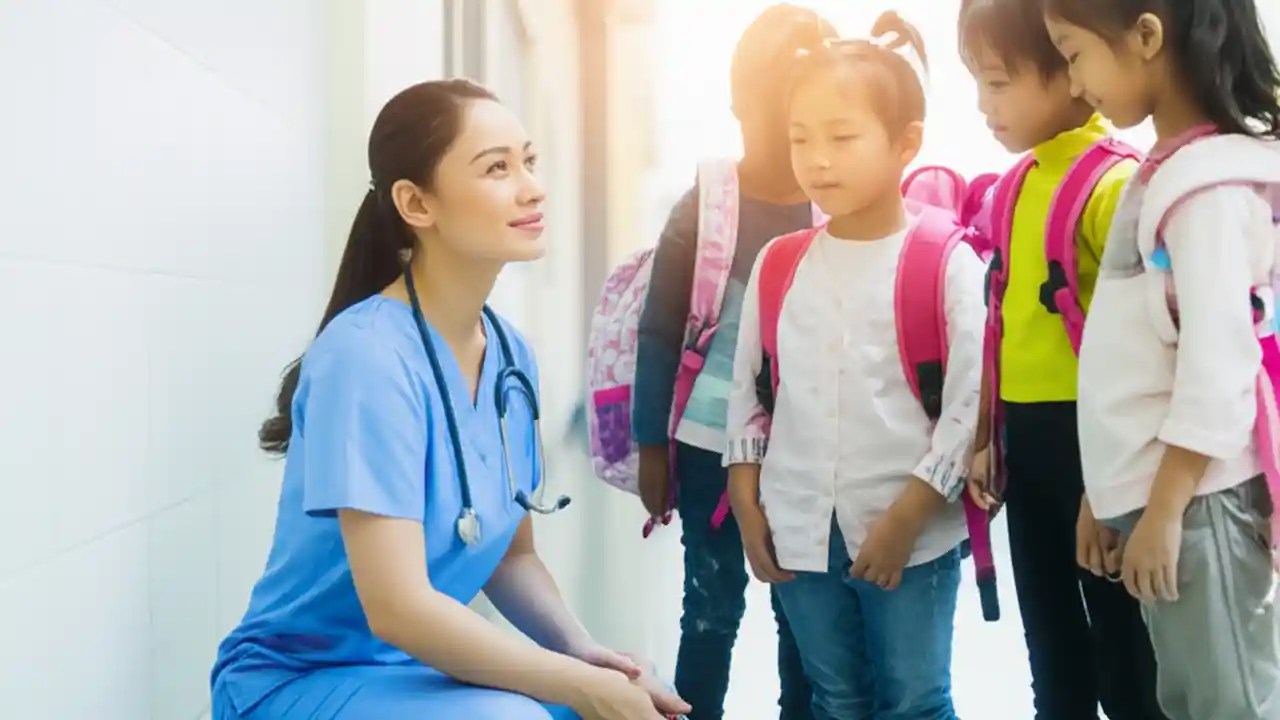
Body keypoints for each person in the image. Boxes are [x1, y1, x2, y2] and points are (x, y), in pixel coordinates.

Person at [209, 79, 691, 720]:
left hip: (414, 674)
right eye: (497, 168)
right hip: (296, 682)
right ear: (416, 203)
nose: (531, 187)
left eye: (528, 161)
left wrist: (586, 655)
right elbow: (399, 608)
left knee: (620, 697)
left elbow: (513, 556)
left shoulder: (509, 354)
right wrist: (569, 685)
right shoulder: (366, 357)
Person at [723, 25, 985, 720]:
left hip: (912, 530)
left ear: (905, 143)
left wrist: (909, 516)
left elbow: (970, 405)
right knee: (836, 700)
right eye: (801, 137)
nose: (816, 159)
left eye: (841, 138)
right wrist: (746, 500)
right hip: (799, 526)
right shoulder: (781, 262)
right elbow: (751, 392)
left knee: (915, 701)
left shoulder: (946, 259)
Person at [1044, 1, 1280, 718]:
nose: (1077, 84)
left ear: (1147, 35)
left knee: (1226, 702)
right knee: (1190, 696)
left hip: (1200, 501)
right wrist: (1110, 493)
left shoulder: (1203, 190)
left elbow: (1217, 370)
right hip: (1174, 499)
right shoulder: (1172, 171)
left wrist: (1167, 507)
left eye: (1075, 53)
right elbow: (1137, 360)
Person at [956, 2, 1166, 718]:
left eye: (998, 83)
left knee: (1126, 654)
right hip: (1026, 441)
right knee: (1050, 651)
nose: (984, 106)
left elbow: (1142, 352)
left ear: (1069, 73)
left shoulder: (1116, 188)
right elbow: (1003, 318)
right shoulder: (1013, 186)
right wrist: (987, 437)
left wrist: (1110, 485)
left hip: (1096, 447)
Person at [630, 5, 836, 718]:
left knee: (803, 623)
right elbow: (658, 328)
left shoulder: (836, 208)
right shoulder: (709, 199)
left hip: (804, 455)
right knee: (710, 614)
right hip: (704, 446)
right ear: (736, 102)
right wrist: (650, 444)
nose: (782, 130)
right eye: (765, 105)